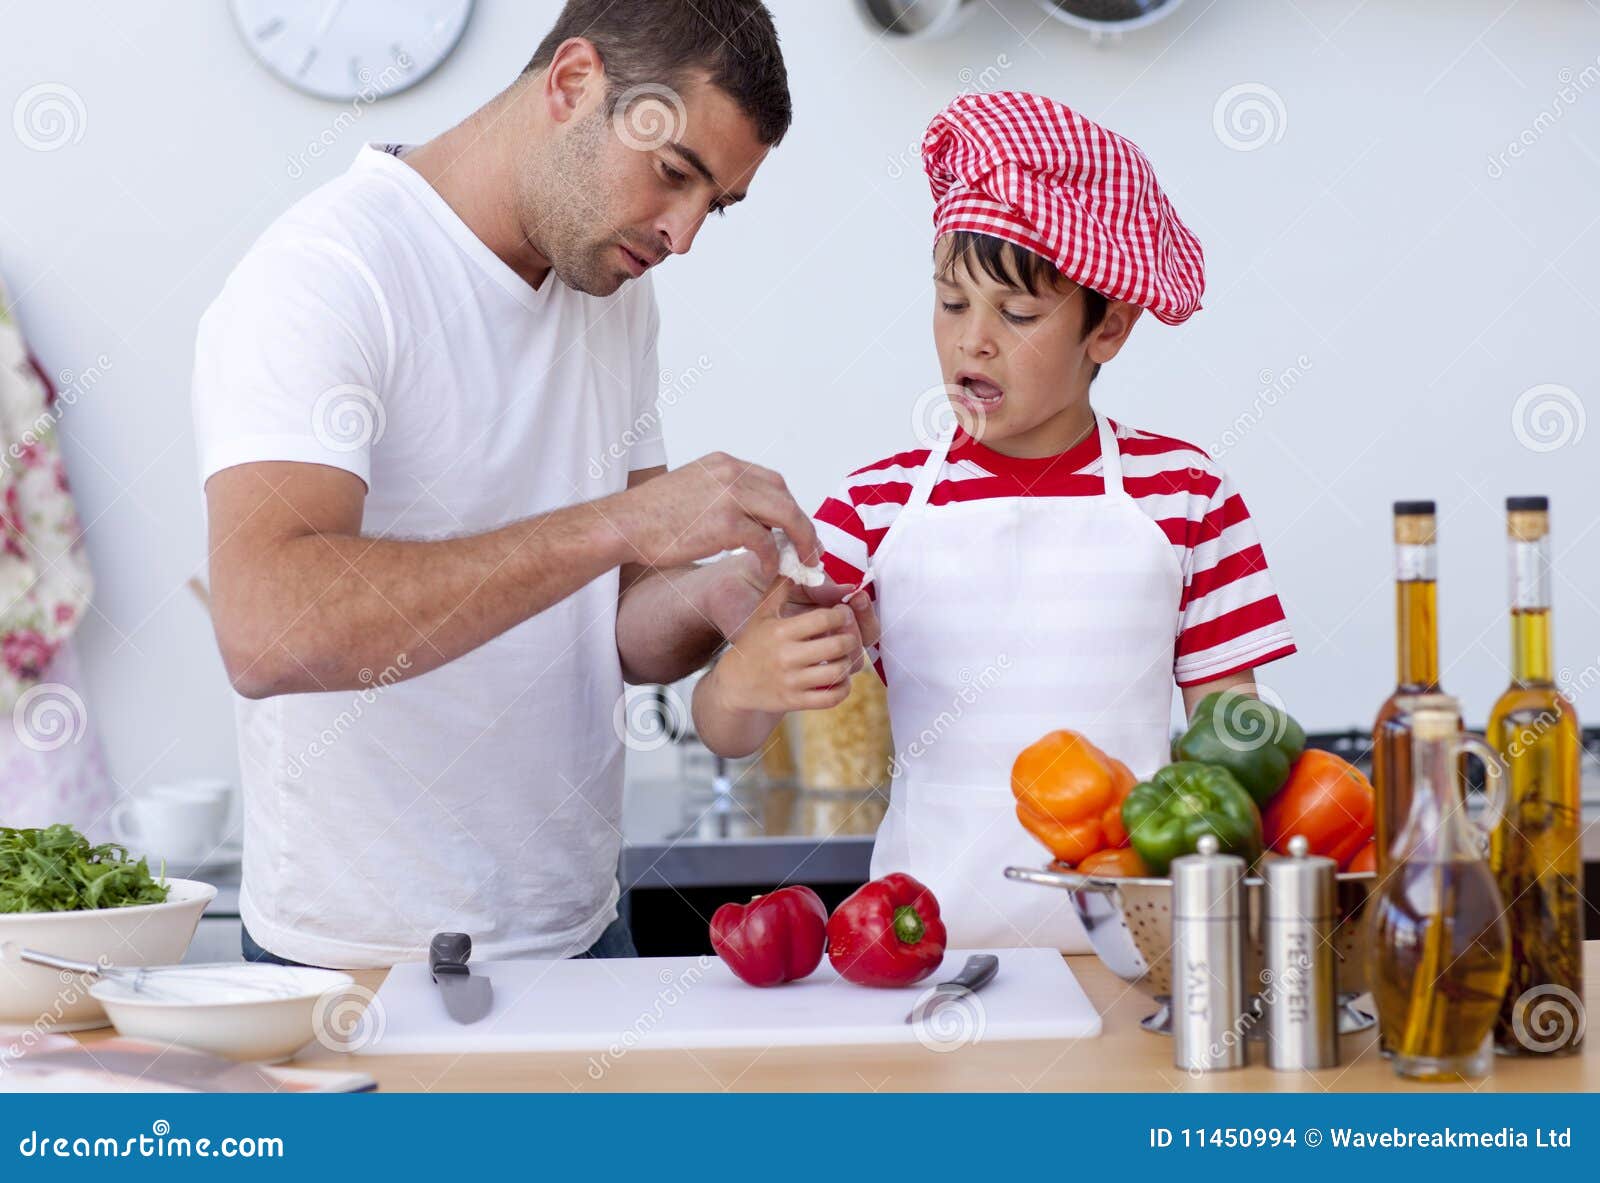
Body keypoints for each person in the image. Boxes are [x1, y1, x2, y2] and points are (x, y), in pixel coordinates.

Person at [191, 0, 872, 969]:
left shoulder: (611, 293)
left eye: (711, 205)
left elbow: (616, 621)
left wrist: (717, 594)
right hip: (358, 962)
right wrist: (619, 523)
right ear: (572, 84)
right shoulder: (328, 274)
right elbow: (266, 631)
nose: (682, 237)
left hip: (582, 932)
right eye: (673, 175)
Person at [692, 91, 1295, 952]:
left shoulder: (1187, 495)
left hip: (1141, 953)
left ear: (1110, 328)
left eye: (1015, 315)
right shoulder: (873, 508)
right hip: (921, 954)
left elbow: (1236, 756)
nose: (972, 341)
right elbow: (727, 729)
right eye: (950, 303)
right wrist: (744, 682)